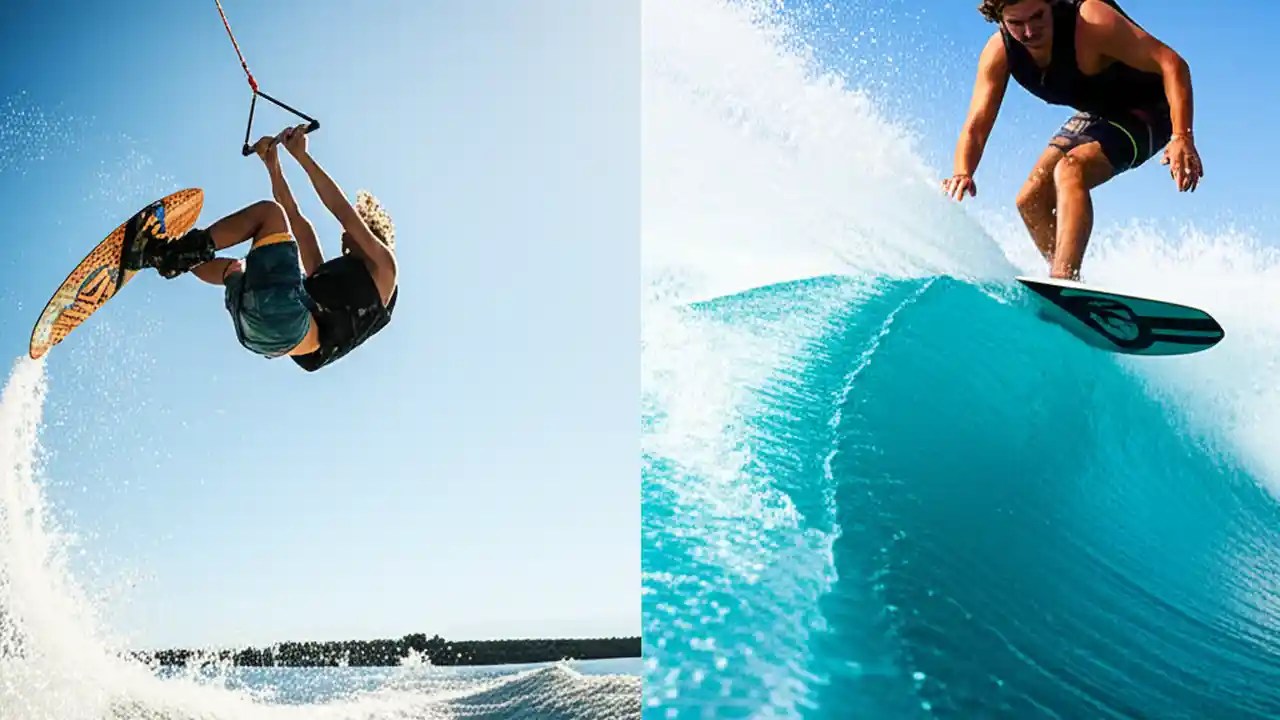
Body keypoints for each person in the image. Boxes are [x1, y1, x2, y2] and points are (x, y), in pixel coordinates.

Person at [942, 0, 1203, 280]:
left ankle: (1064, 278)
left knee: (1071, 170)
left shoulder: (1090, 20)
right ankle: (1068, 281)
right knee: (1030, 199)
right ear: (1000, 19)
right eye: (1016, 24)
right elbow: (976, 125)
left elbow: (1171, 63)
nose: (1029, 31)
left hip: (1153, 110)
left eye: (1038, 16)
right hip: (1101, 111)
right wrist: (963, 171)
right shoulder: (1000, 52)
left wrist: (1182, 136)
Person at [123, 124, 399, 371]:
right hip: (257, 334)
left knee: (268, 213)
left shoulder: (385, 269)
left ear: (371, 235)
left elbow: (341, 210)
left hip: (289, 321)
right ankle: (155, 256)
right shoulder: (329, 280)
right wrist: (272, 164)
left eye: (356, 230)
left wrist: (302, 157)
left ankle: (168, 255)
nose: (345, 233)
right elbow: (294, 215)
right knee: (238, 267)